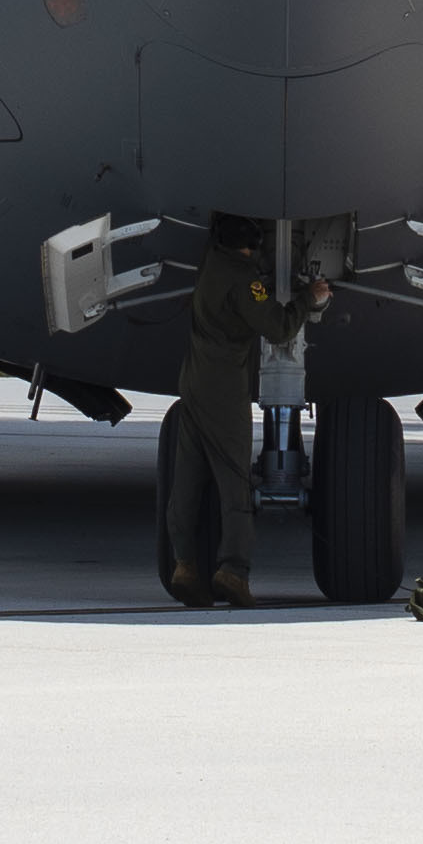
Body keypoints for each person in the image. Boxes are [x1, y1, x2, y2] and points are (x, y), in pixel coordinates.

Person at [156, 220, 278, 606]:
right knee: (234, 486)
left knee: (186, 482)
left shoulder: (209, 266)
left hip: (192, 384)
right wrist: (311, 299)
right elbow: (278, 327)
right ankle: (232, 571)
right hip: (225, 393)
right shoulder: (247, 282)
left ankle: (184, 566)